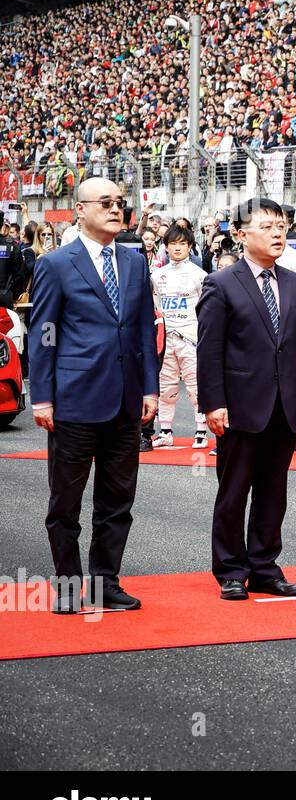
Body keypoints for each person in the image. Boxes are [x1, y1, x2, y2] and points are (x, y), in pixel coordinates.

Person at [29, 177, 159, 614]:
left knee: (117, 500)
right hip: (74, 400)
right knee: (65, 502)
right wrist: (42, 396)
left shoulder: (135, 261)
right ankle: (68, 585)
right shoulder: (56, 264)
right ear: (79, 210)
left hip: (125, 401)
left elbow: (142, 329)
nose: (115, 209)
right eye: (105, 202)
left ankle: (106, 583)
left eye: (120, 202)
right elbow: (43, 335)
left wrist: (150, 388)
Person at [197, 197, 296, 602]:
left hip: (285, 405)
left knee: (273, 491)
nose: (277, 233)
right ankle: (231, 570)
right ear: (240, 234)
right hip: (238, 406)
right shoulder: (221, 283)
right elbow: (209, 351)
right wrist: (213, 403)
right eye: (266, 226)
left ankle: (265, 567)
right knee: (233, 492)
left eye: (281, 225)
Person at [150, 223, 208, 449]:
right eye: (172, 244)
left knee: (196, 386)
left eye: (182, 244)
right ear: (165, 247)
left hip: (191, 338)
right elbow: (157, 308)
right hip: (167, 339)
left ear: (190, 247)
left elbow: (205, 308)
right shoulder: (157, 275)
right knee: (166, 386)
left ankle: (201, 431)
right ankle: (165, 431)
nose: (177, 249)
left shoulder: (199, 275)